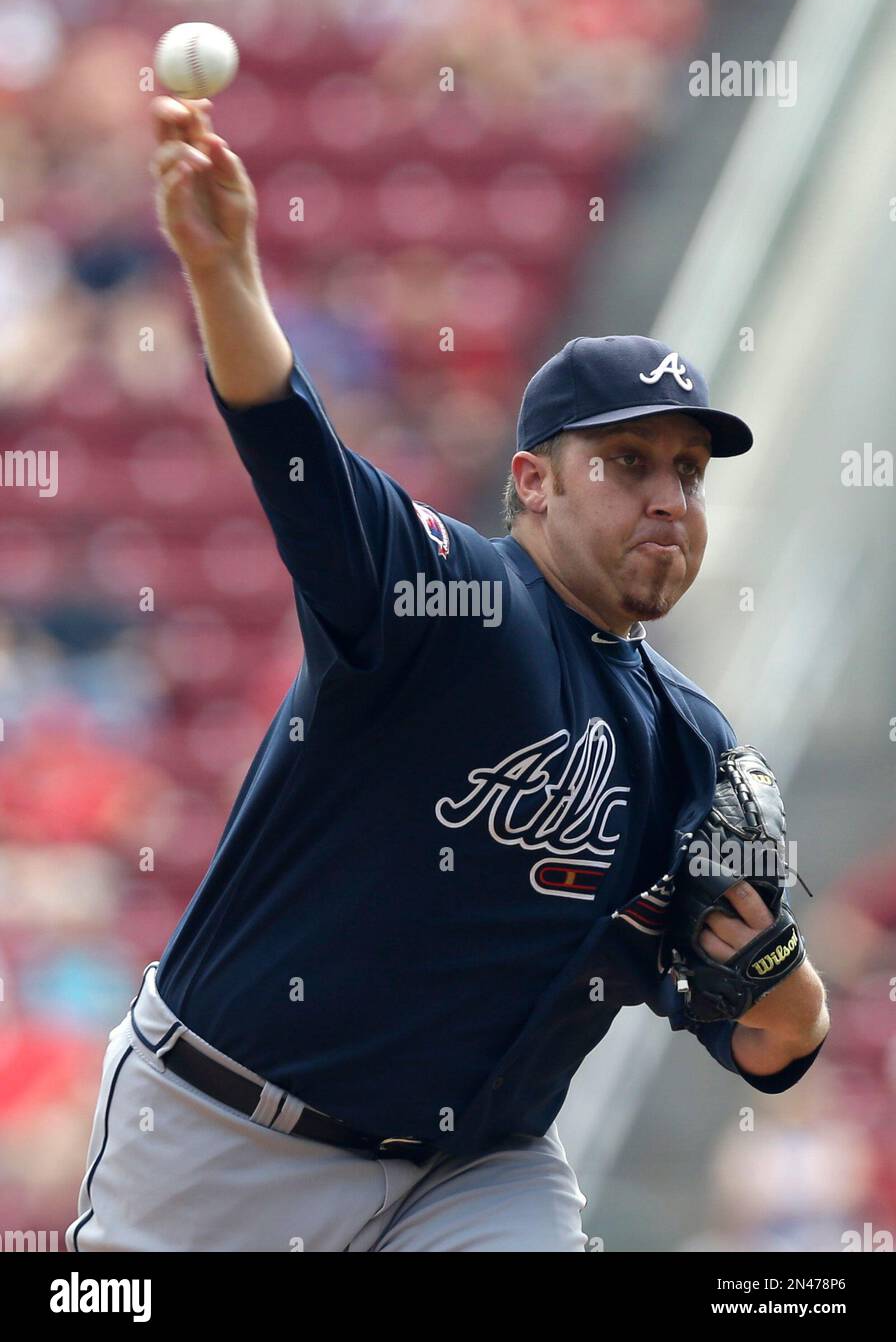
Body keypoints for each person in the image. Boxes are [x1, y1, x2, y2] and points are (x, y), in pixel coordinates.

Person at [66, 97, 829, 1253]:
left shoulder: (692, 749)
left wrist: (774, 969)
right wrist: (224, 271)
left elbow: (778, 1043)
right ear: (531, 480)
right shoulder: (445, 601)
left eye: (686, 470)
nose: (668, 497)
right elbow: (293, 447)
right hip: (221, 1137)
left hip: (475, 1177)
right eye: (626, 462)